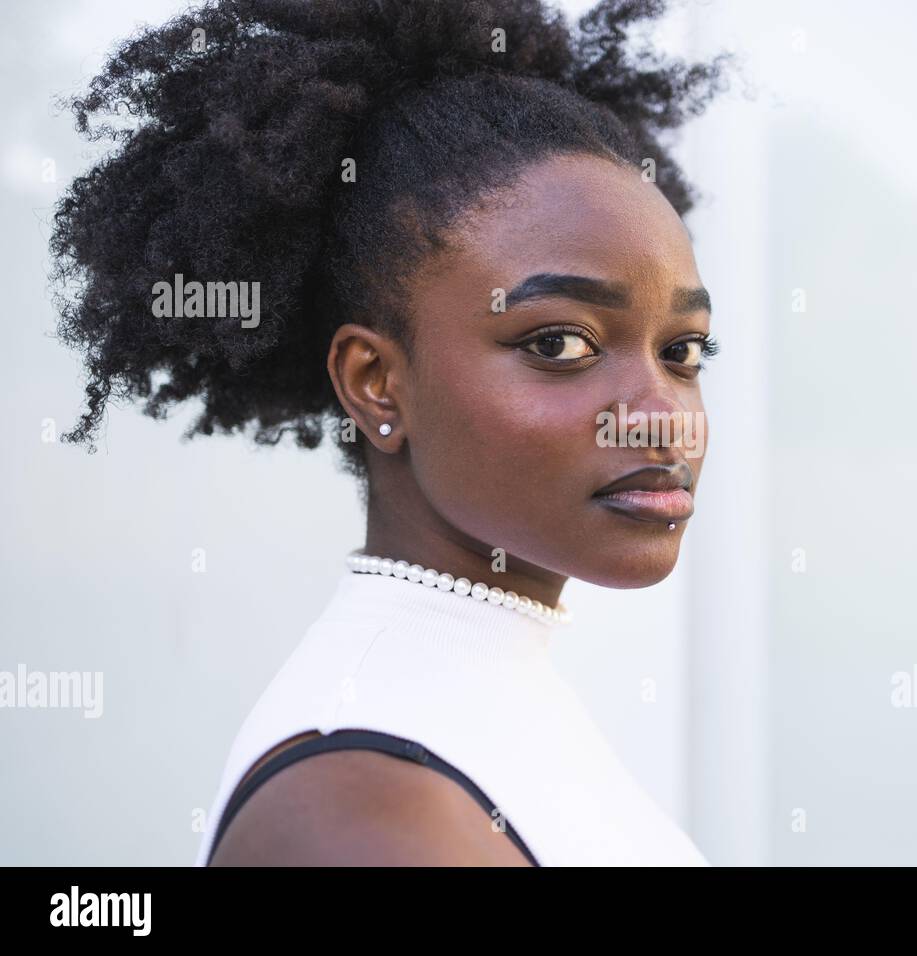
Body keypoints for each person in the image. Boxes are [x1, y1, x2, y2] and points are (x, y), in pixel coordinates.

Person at [49, 0, 731, 866]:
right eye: (559, 343)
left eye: (683, 351)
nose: (658, 412)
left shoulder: (476, 706)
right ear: (377, 384)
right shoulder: (368, 814)